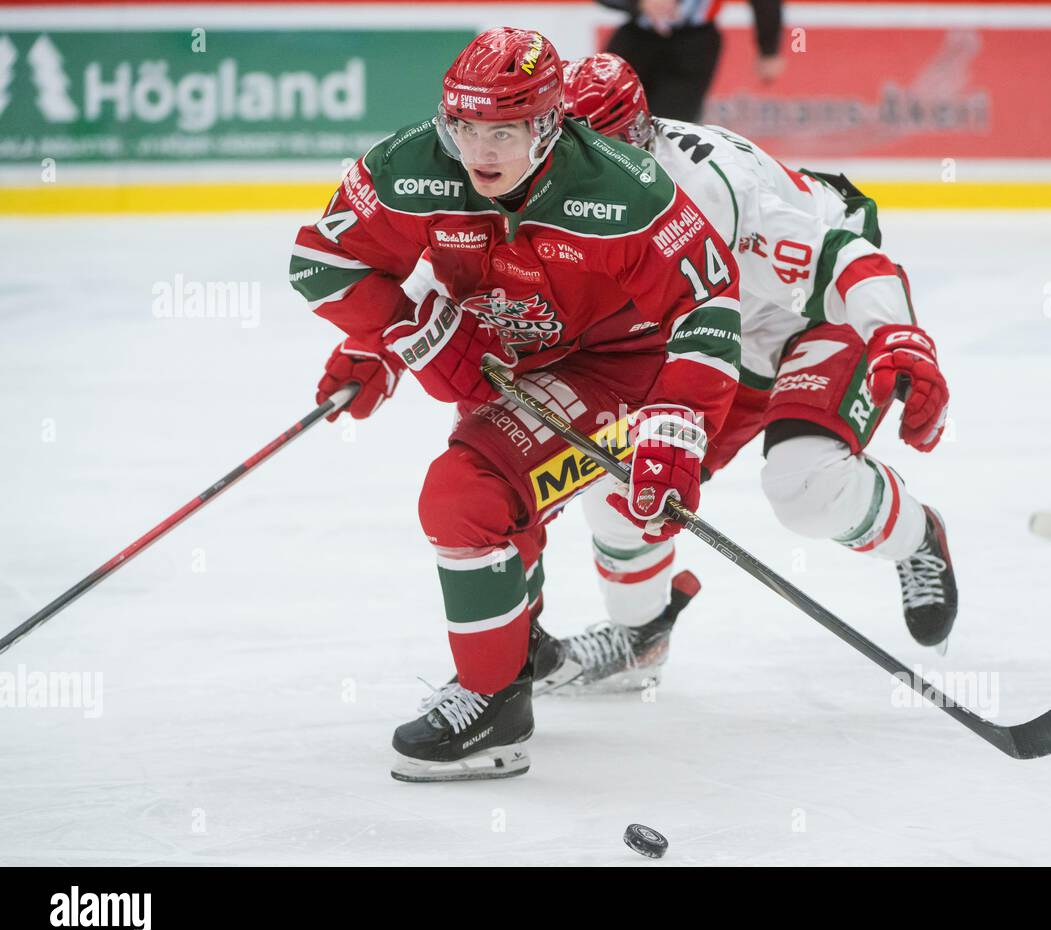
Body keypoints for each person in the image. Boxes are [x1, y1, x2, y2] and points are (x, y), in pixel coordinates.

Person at [289, 30, 742, 781]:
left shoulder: (621, 186)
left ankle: (494, 702)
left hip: (614, 368)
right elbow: (326, 262)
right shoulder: (413, 166)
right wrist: (394, 333)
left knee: (467, 495)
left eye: (503, 129)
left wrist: (678, 421)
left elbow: (708, 302)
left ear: (549, 124)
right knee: (496, 508)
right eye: (465, 127)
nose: (479, 150)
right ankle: (515, 649)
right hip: (516, 356)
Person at [539, 54, 955, 695]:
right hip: (721, 327)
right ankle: (639, 636)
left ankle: (916, 535)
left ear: (636, 141)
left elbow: (839, 258)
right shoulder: (546, 183)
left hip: (809, 315)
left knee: (804, 484)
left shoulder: (709, 193)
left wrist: (897, 336)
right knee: (624, 478)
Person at [598, 0, 784, 122]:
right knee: (605, 115)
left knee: (669, 125)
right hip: (635, 38)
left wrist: (769, 49)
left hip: (694, 42)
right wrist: (638, 3)